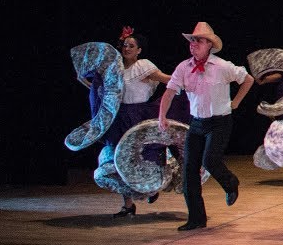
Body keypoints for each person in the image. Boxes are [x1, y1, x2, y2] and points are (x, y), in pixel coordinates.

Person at [158, 22, 254, 232]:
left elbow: (247, 79)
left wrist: (236, 102)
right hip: (197, 123)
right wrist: (162, 116)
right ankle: (196, 218)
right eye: (192, 41)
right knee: (189, 170)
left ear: (209, 44)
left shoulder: (222, 66)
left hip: (219, 122)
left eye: (198, 41)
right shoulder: (184, 67)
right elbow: (169, 92)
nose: (193, 45)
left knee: (210, 160)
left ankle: (230, 183)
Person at [101, 27, 187, 216]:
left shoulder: (143, 67)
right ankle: (128, 205)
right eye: (124, 45)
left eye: (131, 46)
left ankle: (151, 187)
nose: (127, 48)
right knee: (120, 160)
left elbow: (169, 80)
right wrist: (85, 81)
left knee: (145, 156)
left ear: (139, 50)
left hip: (139, 115)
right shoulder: (117, 70)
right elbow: (104, 90)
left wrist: (190, 82)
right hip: (120, 117)